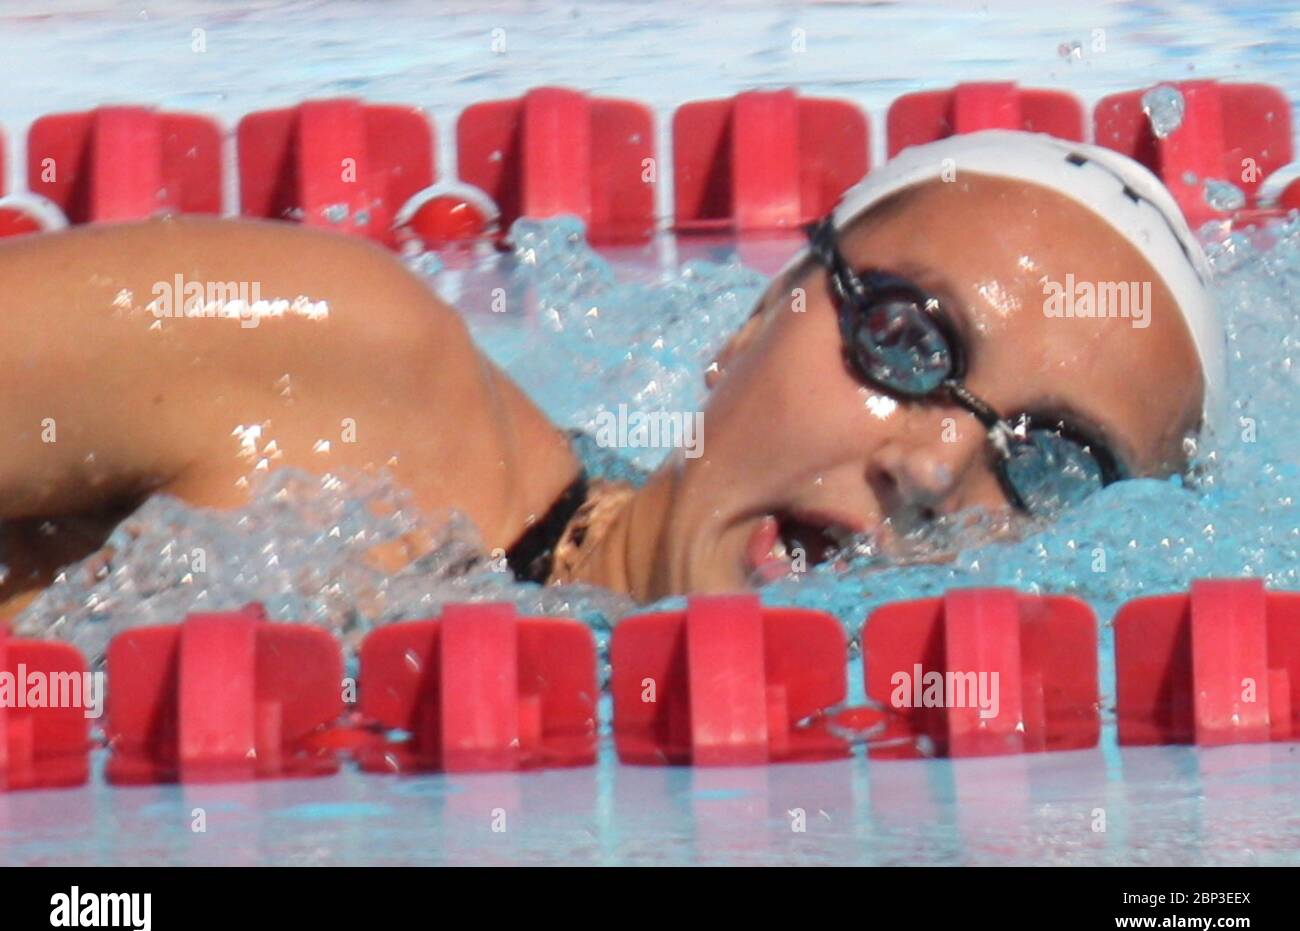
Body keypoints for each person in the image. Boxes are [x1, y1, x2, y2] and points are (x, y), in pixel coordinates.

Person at [0, 131, 1221, 617]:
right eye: (907, 342)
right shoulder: (329, 362)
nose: (933, 461)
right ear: (747, 327)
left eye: (1050, 464)